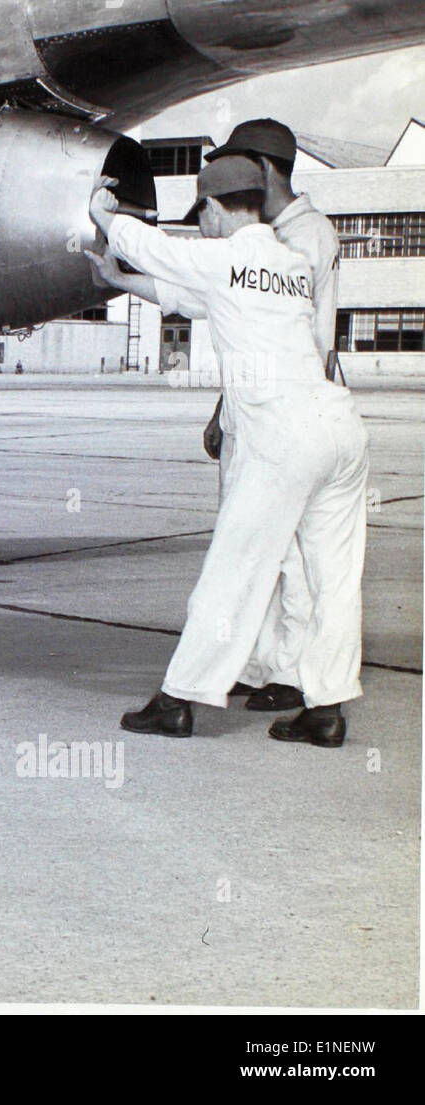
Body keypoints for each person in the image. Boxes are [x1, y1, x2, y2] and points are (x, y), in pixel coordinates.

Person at [87, 157, 368, 747]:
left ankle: (179, 699)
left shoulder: (225, 257)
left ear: (215, 209)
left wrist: (101, 214)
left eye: (204, 215)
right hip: (338, 425)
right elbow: (192, 297)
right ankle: (326, 708)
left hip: (283, 436)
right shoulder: (290, 263)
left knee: (233, 570)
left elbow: (159, 250)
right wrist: (117, 279)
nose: (204, 227)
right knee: (332, 580)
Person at [200, 119, 343, 714]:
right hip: (252, 409)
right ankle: (254, 665)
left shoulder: (305, 238)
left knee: (287, 549)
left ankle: (288, 673)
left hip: (287, 411)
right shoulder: (271, 235)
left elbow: (302, 340)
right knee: (251, 541)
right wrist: (222, 408)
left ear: (261, 168)